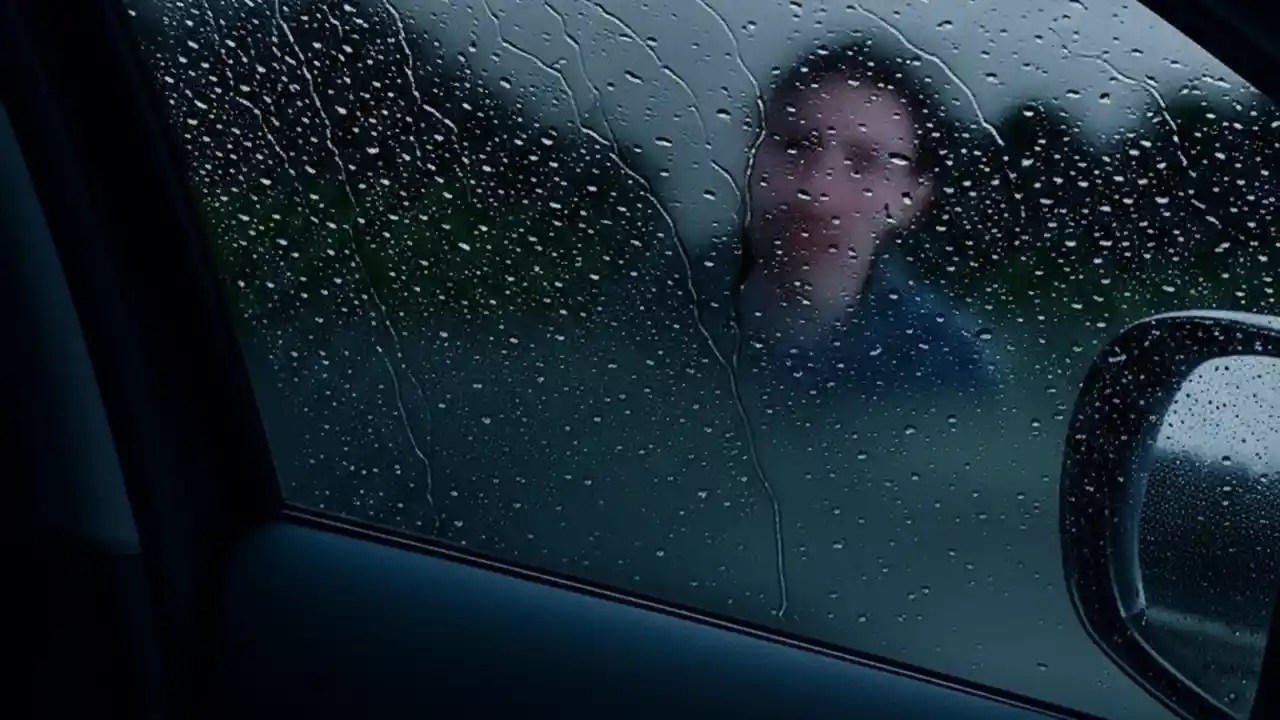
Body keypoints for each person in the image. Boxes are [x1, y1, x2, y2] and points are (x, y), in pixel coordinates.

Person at [735, 38, 997, 397]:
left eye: (865, 163)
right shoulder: (649, 309)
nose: (816, 193)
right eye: (795, 146)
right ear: (753, 156)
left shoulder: (947, 368)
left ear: (912, 198)